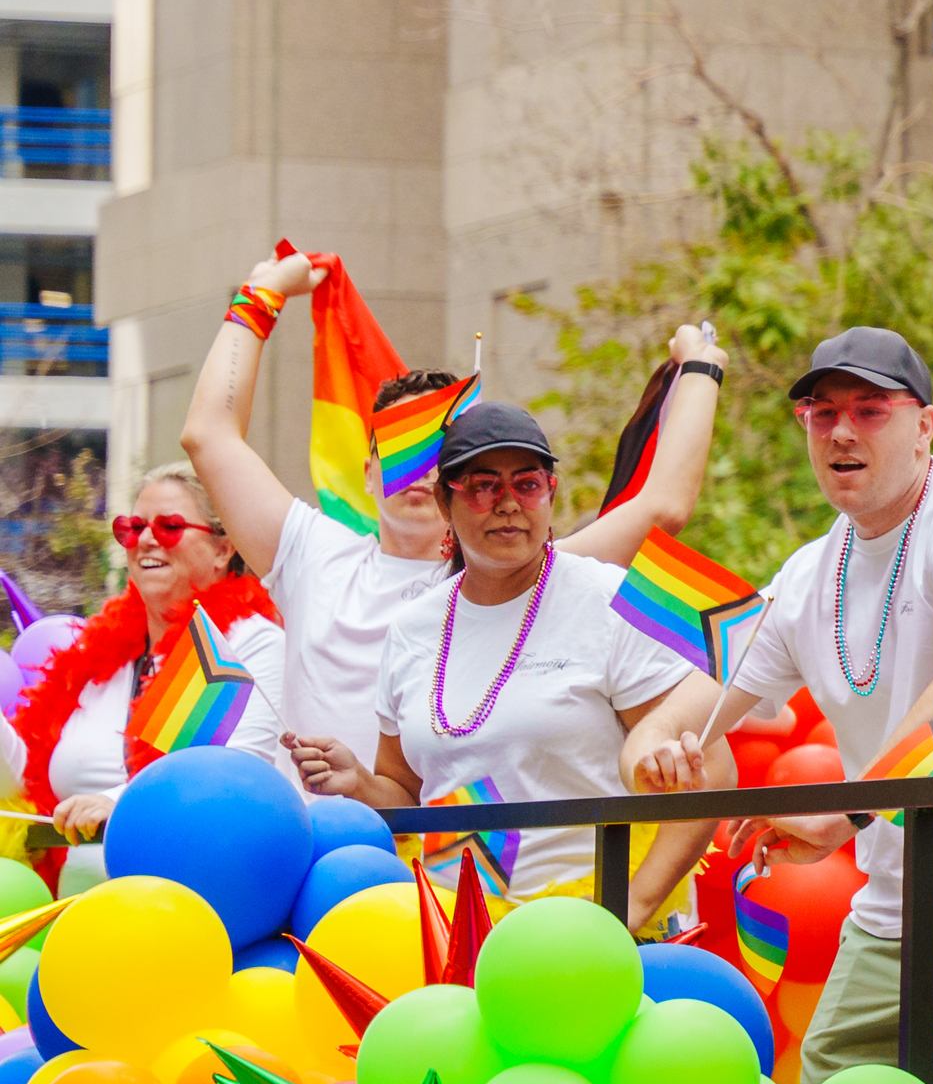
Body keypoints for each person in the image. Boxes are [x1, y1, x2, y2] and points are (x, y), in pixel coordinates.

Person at [627, 327, 933, 1084]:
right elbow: (696, 703)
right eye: (821, 411)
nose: (841, 431)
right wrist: (657, 747)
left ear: (925, 426)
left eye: (871, 410)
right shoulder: (810, 572)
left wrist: (848, 809)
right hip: (888, 917)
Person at [183, 245, 724, 773]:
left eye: (441, 454)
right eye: (398, 449)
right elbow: (208, 435)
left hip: (454, 859)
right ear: (368, 470)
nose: (421, 471)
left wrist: (701, 367)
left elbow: (664, 505)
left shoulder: (522, 573)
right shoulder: (312, 557)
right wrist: (263, 290)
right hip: (320, 852)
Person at [284, 402, 730, 915]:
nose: (508, 503)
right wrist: (360, 783)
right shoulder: (412, 627)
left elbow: (711, 763)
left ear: (550, 493)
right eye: (482, 486)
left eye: (527, 483)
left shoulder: (608, 599)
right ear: (444, 502)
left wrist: (631, 904)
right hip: (460, 925)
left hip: (592, 925)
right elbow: (408, 795)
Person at [13, 462, 289, 835]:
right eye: (133, 528)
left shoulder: (248, 644)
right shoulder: (97, 654)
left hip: (185, 888)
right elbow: (23, 779)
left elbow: (234, 775)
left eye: (170, 527)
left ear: (223, 550)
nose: (145, 540)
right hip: (75, 892)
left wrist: (117, 801)